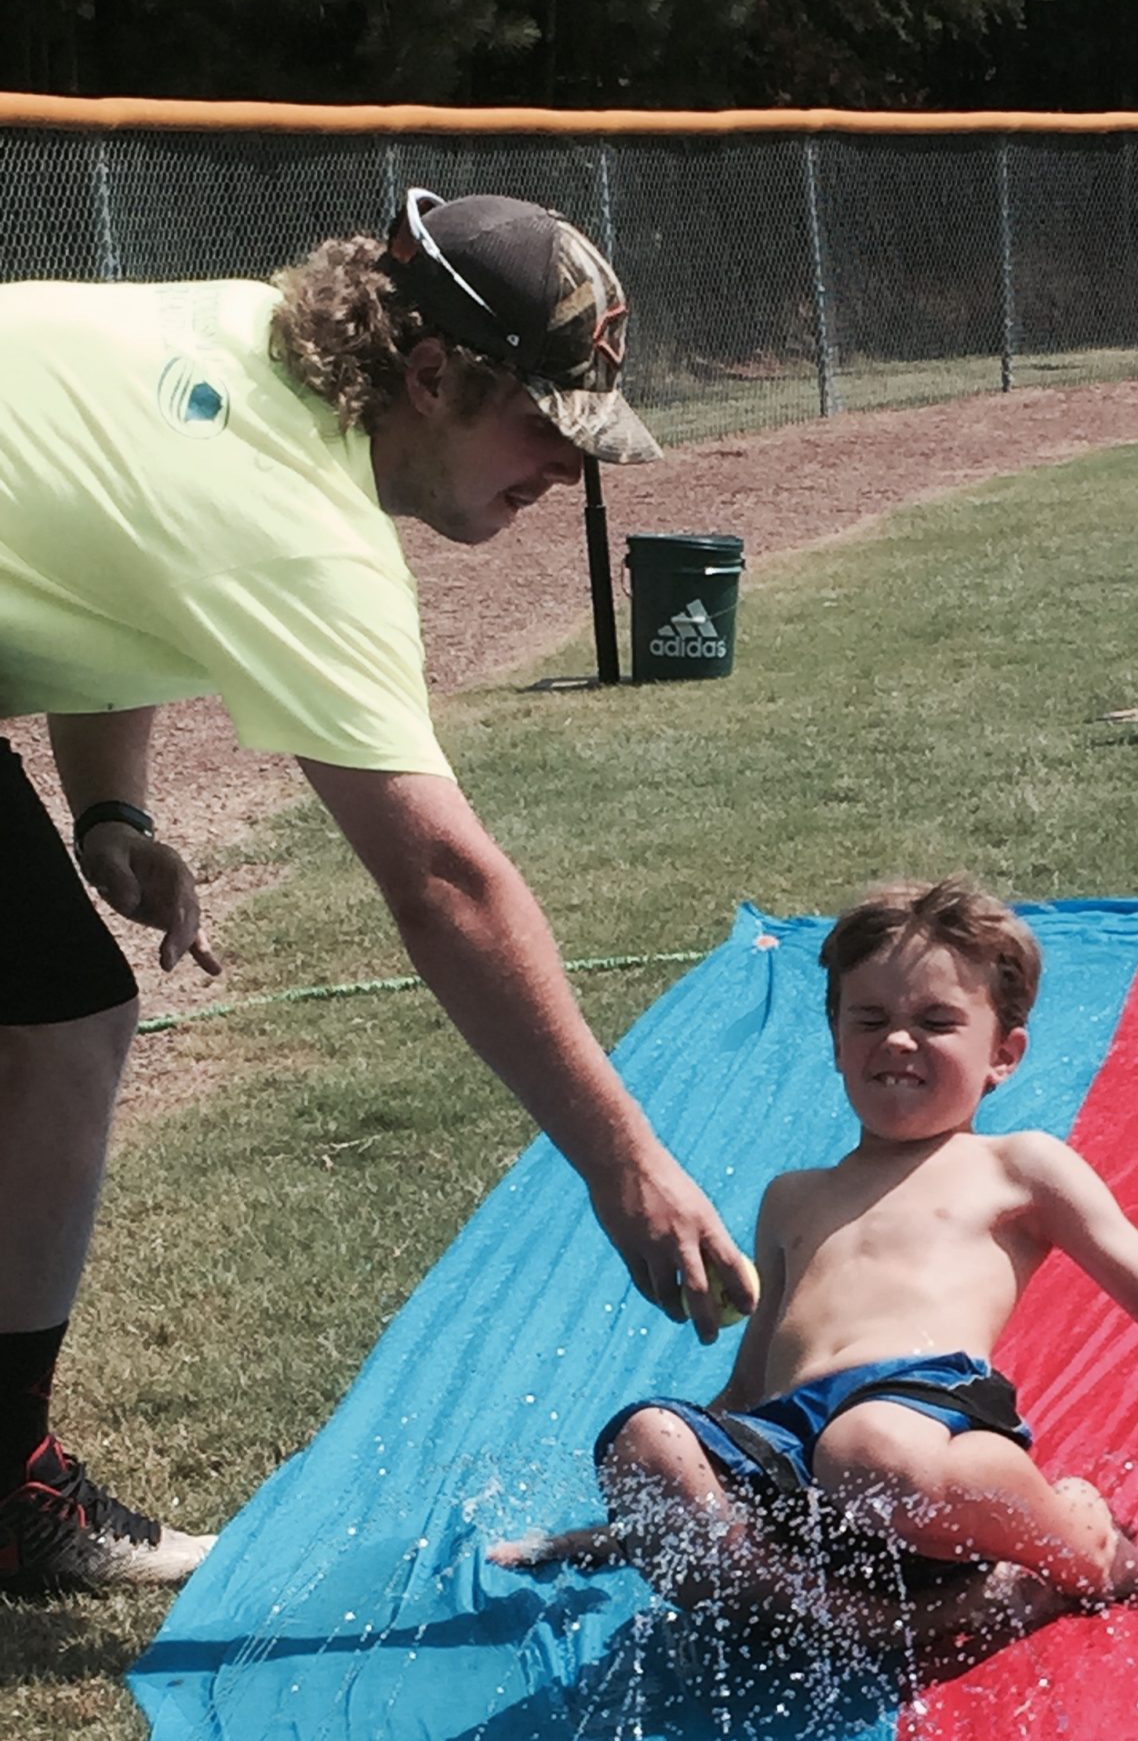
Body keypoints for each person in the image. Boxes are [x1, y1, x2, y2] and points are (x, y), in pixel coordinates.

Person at [0, 188, 754, 1599]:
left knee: (60, 1022)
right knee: (57, 1028)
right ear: (429, 377)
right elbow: (444, 884)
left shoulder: (244, 342)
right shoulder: (300, 522)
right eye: (547, 426)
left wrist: (109, 804)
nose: (568, 473)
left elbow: (102, 547)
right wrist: (623, 1161)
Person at [493, 878, 1138, 1618]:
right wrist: (641, 1518)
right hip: (796, 1450)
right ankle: (849, 1612)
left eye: (936, 1023)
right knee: (646, 1438)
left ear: (1003, 1055)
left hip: (922, 1421)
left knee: (865, 1447)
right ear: (835, 1041)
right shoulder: (791, 1197)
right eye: (869, 1020)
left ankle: (1081, 1546)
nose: (898, 1039)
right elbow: (753, 1385)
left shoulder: (1018, 1166)